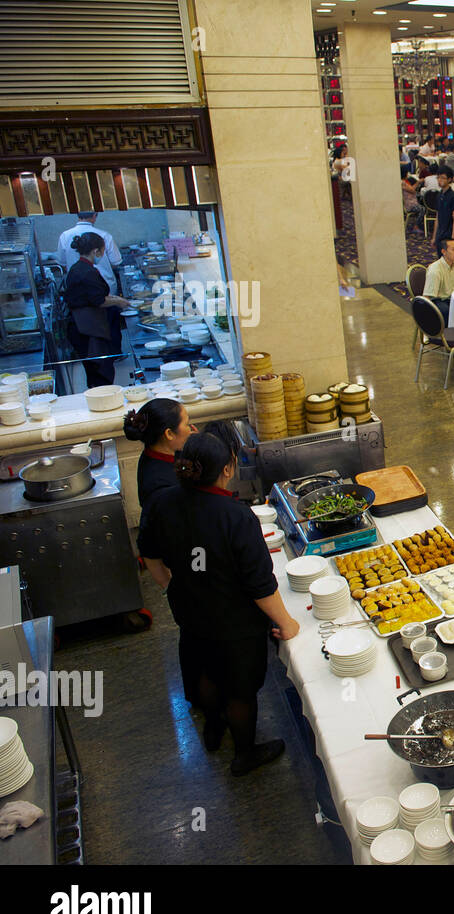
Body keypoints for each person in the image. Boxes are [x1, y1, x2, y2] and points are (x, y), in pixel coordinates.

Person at [138, 433, 300, 775]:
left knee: (205, 670)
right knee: (240, 689)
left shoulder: (162, 503)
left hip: (189, 612)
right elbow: (260, 585)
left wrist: (169, 585)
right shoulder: (235, 516)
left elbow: (149, 552)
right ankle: (245, 754)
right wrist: (287, 622)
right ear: (227, 469)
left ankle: (213, 728)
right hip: (234, 622)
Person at [63, 232, 129, 387]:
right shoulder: (87, 272)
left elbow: (93, 295)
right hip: (87, 330)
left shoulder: (79, 267)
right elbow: (98, 300)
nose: (103, 254)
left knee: (97, 370)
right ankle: (102, 396)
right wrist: (119, 301)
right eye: (103, 250)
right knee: (101, 371)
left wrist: (115, 298)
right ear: (95, 251)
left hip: (85, 326)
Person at [123, 398, 195, 510]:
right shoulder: (161, 487)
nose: (190, 429)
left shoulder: (155, 452)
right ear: (169, 434)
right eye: (186, 424)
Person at [57, 211, 122, 294]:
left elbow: (62, 263)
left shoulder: (65, 236)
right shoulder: (104, 236)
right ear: (95, 215)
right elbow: (115, 262)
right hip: (105, 287)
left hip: (78, 289)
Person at [421, 238, 454, 318]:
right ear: (444, 252)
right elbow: (428, 296)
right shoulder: (435, 269)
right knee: (446, 311)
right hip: (439, 300)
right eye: (453, 250)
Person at [432, 166, 454, 254]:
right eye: (438, 177)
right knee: (440, 257)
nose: (440, 180)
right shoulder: (439, 195)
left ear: (449, 179)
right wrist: (434, 236)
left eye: (443, 178)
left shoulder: (453, 197)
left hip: (449, 233)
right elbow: (437, 217)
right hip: (440, 232)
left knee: (449, 258)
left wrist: (453, 237)